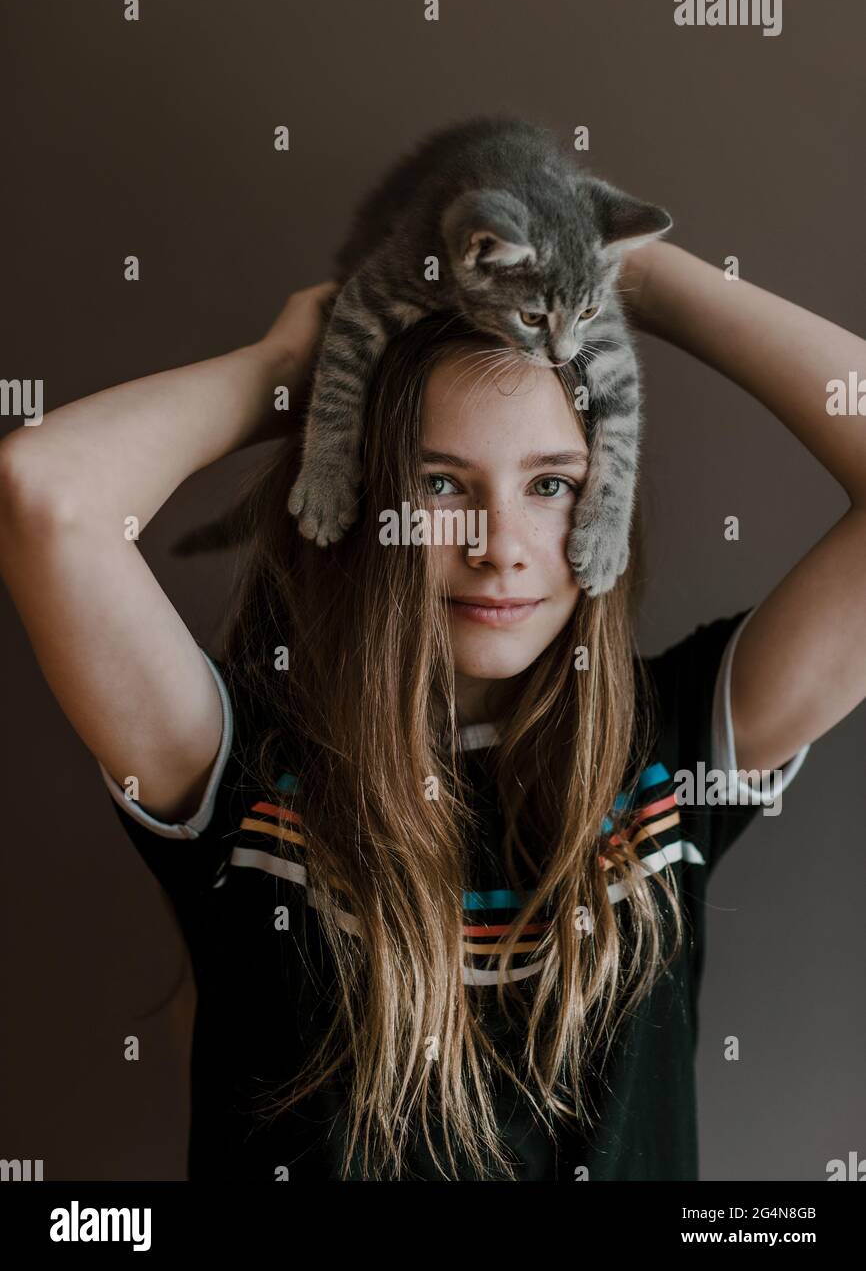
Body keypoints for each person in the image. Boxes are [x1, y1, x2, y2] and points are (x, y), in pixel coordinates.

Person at [0, 241, 863, 1182]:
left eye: (551, 486)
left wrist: (637, 280)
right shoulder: (238, 765)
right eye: (441, 484)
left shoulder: (670, 748)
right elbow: (47, 497)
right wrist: (294, 368)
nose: (502, 549)